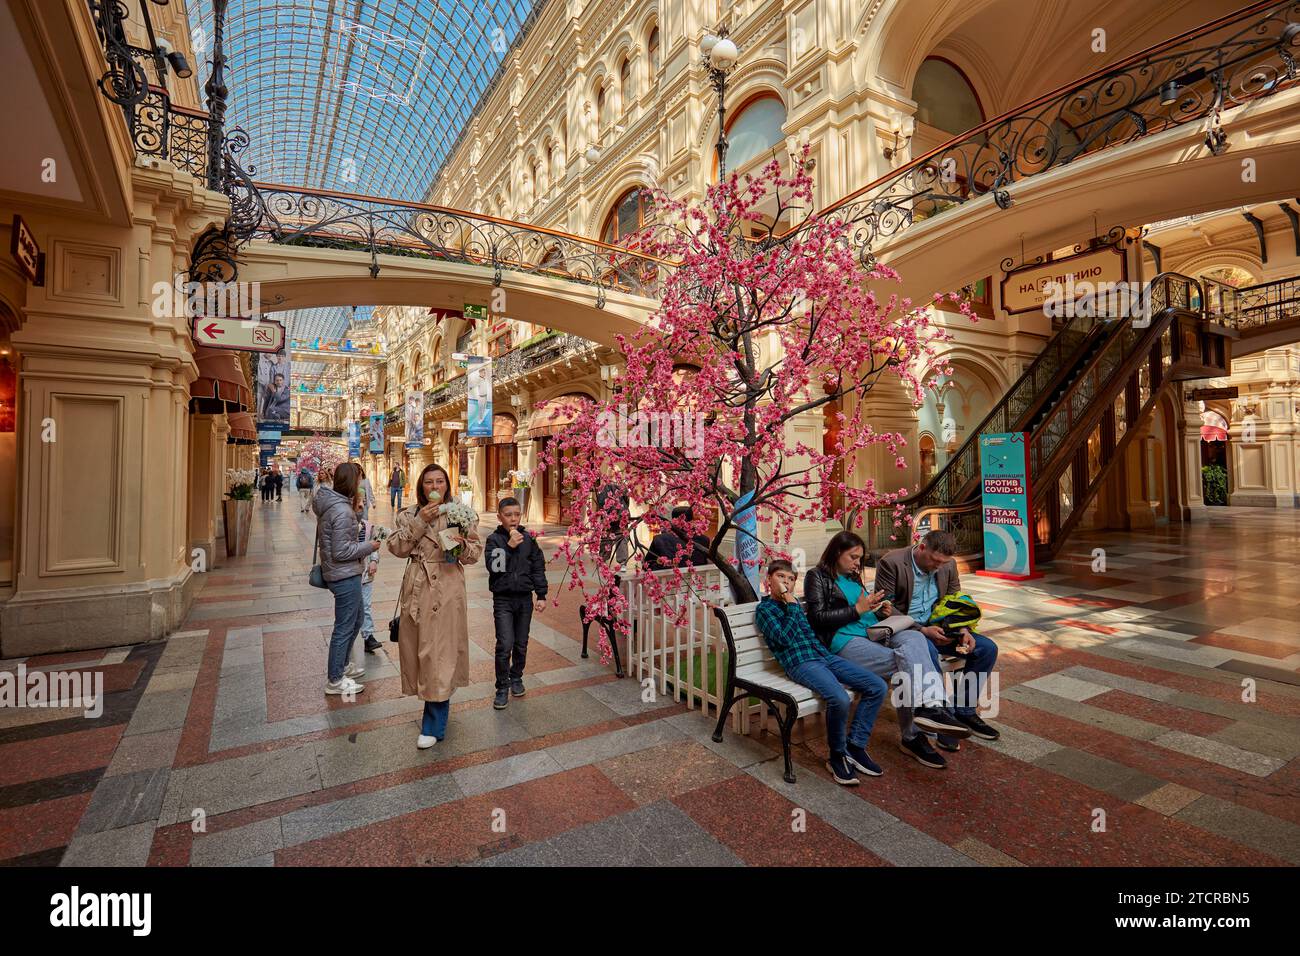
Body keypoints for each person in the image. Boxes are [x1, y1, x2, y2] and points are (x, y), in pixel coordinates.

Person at [804, 531, 970, 770]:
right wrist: (857, 611)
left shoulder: (853, 578)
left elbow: (865, 612)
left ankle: (930, 707)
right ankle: (916, 731)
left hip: (873, 633)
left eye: (860, 558)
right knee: (908, 665)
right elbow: (816, 619)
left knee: (914, 638)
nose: (856, 563)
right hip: (843, 642)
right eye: (852, 557)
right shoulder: (817, 576)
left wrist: (878, 609)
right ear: (836, 552)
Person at [755, 559, 887, 786]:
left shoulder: (793, 605)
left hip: (824, 657)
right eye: (780, 577)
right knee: (838, 699)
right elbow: (784, 639)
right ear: (768, 580)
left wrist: (794, 607)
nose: (786, 581)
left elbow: (809, 634)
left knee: (877, 686)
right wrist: (793, 607)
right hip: (801, 663)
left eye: (790, 578)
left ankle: (855, 746)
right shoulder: (765, 610)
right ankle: (837, 756)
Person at [873, 529, 1001, 741]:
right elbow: (883, 608)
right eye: (935, 561)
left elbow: (955, 600)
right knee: (928, 651)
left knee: (986, 649)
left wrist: (962, 630)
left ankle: (964, 710)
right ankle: (942, 717)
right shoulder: (892, 563)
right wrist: (922, 630)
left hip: (941, 631)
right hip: (908, 632)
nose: (939, 567)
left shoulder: (948, 564)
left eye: (943, 563)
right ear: (922, 547)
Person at [388, 463, 482, 749]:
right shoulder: (409, 514)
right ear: (421, 487)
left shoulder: (460, 514)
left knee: (440, 656)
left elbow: (475, 553)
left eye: (440, 482)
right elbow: (396, 548)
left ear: (447, 485)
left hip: (448, 588)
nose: (434, 487)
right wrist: (419, 524)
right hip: (417, 590)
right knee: (421, 655)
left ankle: (432, 724)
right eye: (429, 482)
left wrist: (461, 544)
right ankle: (438, 708)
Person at [313, 462, 382, 696]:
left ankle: (342, 666)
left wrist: (358, 507)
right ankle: (335, 678)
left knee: (356, 619)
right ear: (351, 481)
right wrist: (369, 547)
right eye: (358, 479)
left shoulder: (339, 506)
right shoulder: (341, 511)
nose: (361, 483)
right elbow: (342, 551)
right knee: (344, 626)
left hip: (343, 573)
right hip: (344, 574)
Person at [484, 496, 547, 710]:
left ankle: (516, 677)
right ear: (499, 517)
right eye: (508, 515)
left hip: (524, 600)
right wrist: (509, 547)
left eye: (517, 514)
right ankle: (502, 686)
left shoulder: (528, 539)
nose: (513, 519)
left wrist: (541, 594)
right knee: (505, 644)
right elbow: (495, 567)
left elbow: (538, 566)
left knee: (521, 643)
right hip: (503, 600)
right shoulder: (494, 540)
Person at [355, 500, 384, 655]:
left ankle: (368, 637)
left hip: (366, 574)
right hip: (350, 575)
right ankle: (349, 638)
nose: (361, 506)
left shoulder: (368, 526)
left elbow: (374, 544)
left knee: (365, 606)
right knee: (350, 609)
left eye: (363, 503)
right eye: (358, 503)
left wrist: (373, 560)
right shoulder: (343, 524)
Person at [646, 505, 712, 569]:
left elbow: (647, 565)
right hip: (698, 577)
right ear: (692, 520)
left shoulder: (659, 539)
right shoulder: (705, 540)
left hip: (669, 578)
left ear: (673, 521)